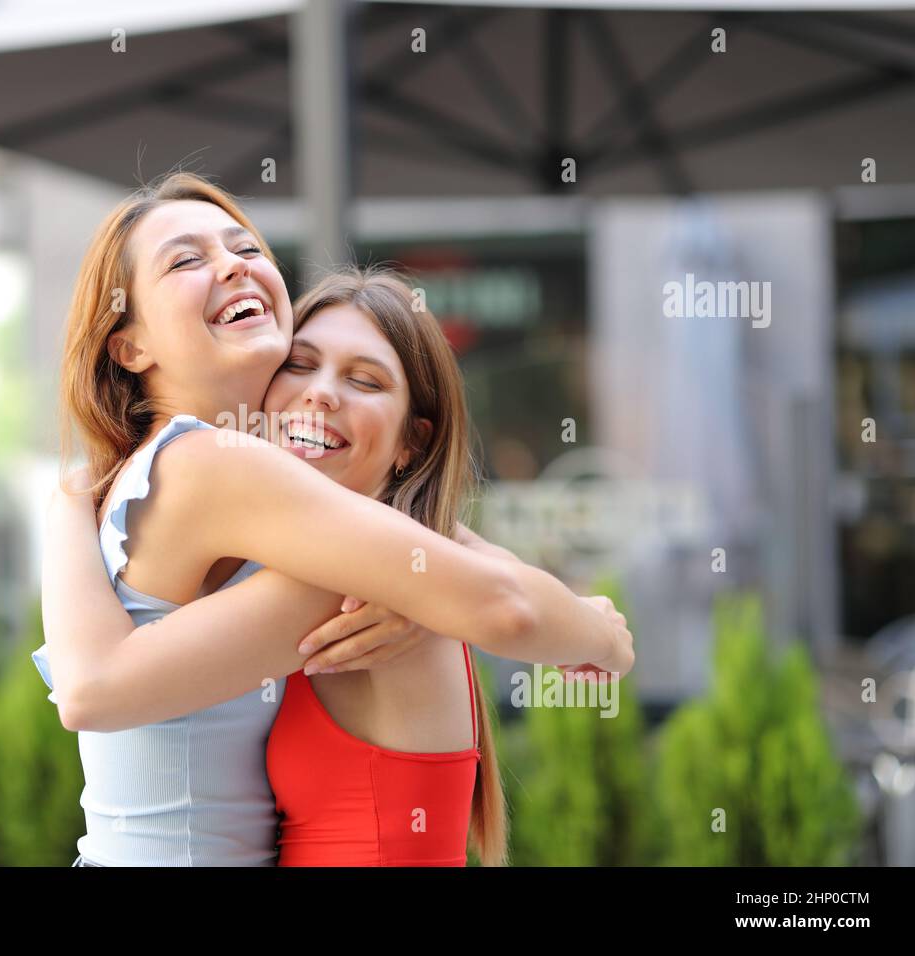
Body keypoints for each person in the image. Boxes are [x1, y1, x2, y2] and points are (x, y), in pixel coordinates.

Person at [34, 172, 633, 866]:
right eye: (187, 259)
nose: (232, 264)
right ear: (130, 345)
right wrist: (602, 637)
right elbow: (496, 600)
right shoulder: (213, 462)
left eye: (246, 247)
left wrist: (424, 591)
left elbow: (437, 544)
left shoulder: (162, 473)